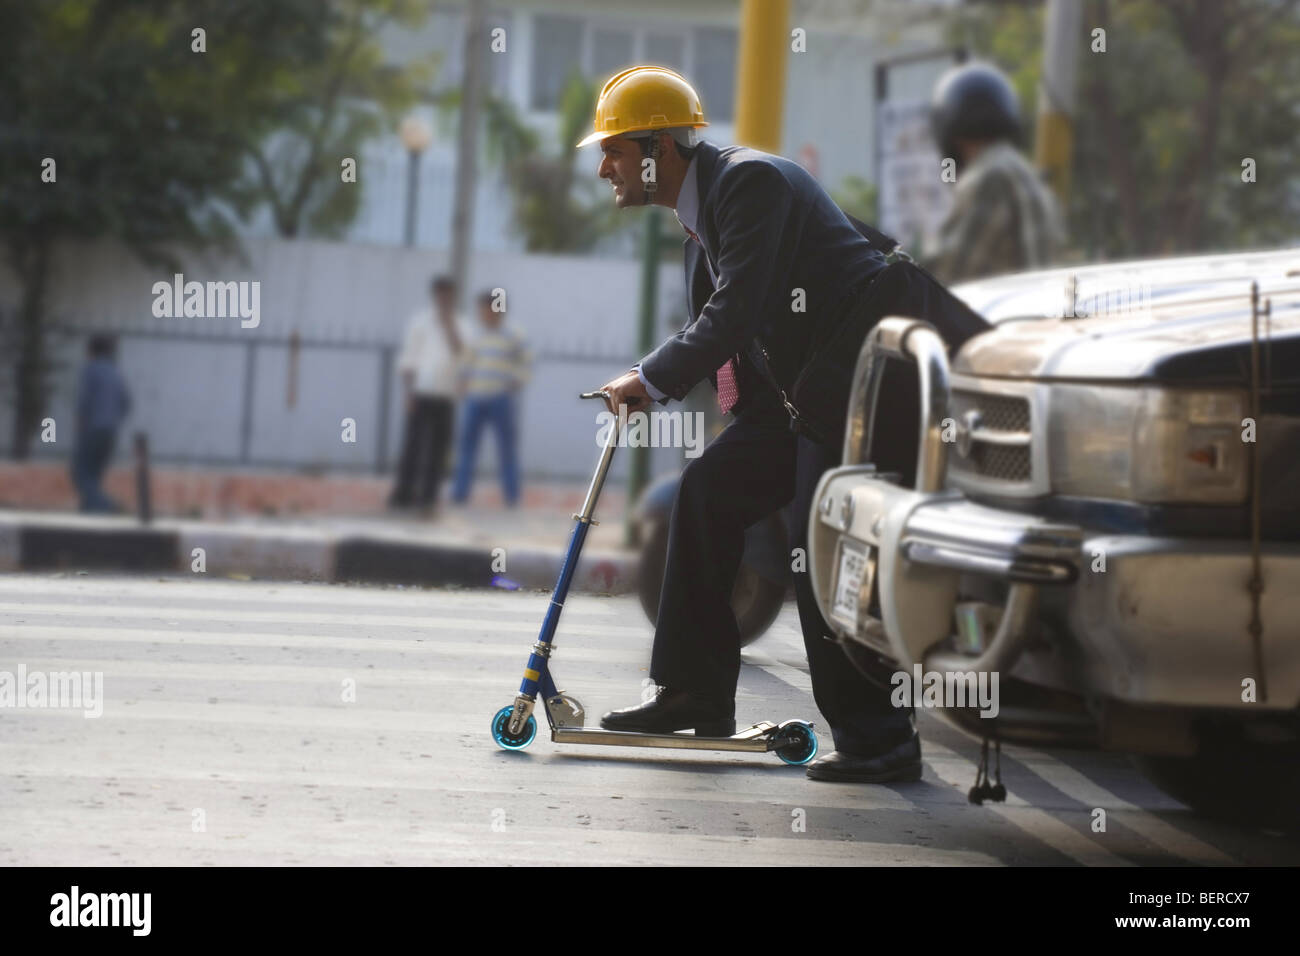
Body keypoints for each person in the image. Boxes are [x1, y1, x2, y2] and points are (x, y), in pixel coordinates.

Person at [584, 66, 921, 783]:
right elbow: (736, 343)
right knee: (707, 491)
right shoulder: (696, 236)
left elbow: (734, 312)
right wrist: (672, 392)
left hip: (862, 379)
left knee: (817, 535)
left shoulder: (750, 184)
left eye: (614, 149)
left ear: (658, 149)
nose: (604, 165)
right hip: (804, 393)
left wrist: (648, 376)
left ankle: (880, 739)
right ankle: (693, 694)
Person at [923, 61, 1063, 285]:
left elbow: (947, 275)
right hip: (1037, 312)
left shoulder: (989, 177)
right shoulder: (1023, 171)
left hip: (1007, 315)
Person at [390, 275, 464, 515]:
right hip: (421, 393)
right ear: (435, 295)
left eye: (448, 294)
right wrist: (409, 392)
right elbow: (409, 359)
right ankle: (403, 494)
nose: (444, 298)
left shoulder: (462, 324)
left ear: (453, 297)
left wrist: (449, 325)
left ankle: (428, 498)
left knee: (438, 450)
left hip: (445, 396)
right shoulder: (420, 322)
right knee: (413, 446)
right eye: (440, 294)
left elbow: (462, 353)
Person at [450, 290, 532, 508]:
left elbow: (527, 362)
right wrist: (461, 382)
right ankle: (460, 493)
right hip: (475, 398)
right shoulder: (475, 336)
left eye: (489, 308)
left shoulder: (514, 336)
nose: (485, 313)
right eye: (482, 309)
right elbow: (465, 363)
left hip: (500, 399)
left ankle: (511, 496)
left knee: (506, 449)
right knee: (467, 447)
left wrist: (517, 380)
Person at [71, 334, 131, 513]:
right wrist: (113, 420)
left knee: (80, 471)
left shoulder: (91, 369)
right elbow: (126, 402)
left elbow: (85, 400)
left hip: (92, 428)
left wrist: (80, 423)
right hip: (110, 430)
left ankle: (107, 505)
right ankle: (89, 508)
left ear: (91, 351)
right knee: (95, 473)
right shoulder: (115, 372)